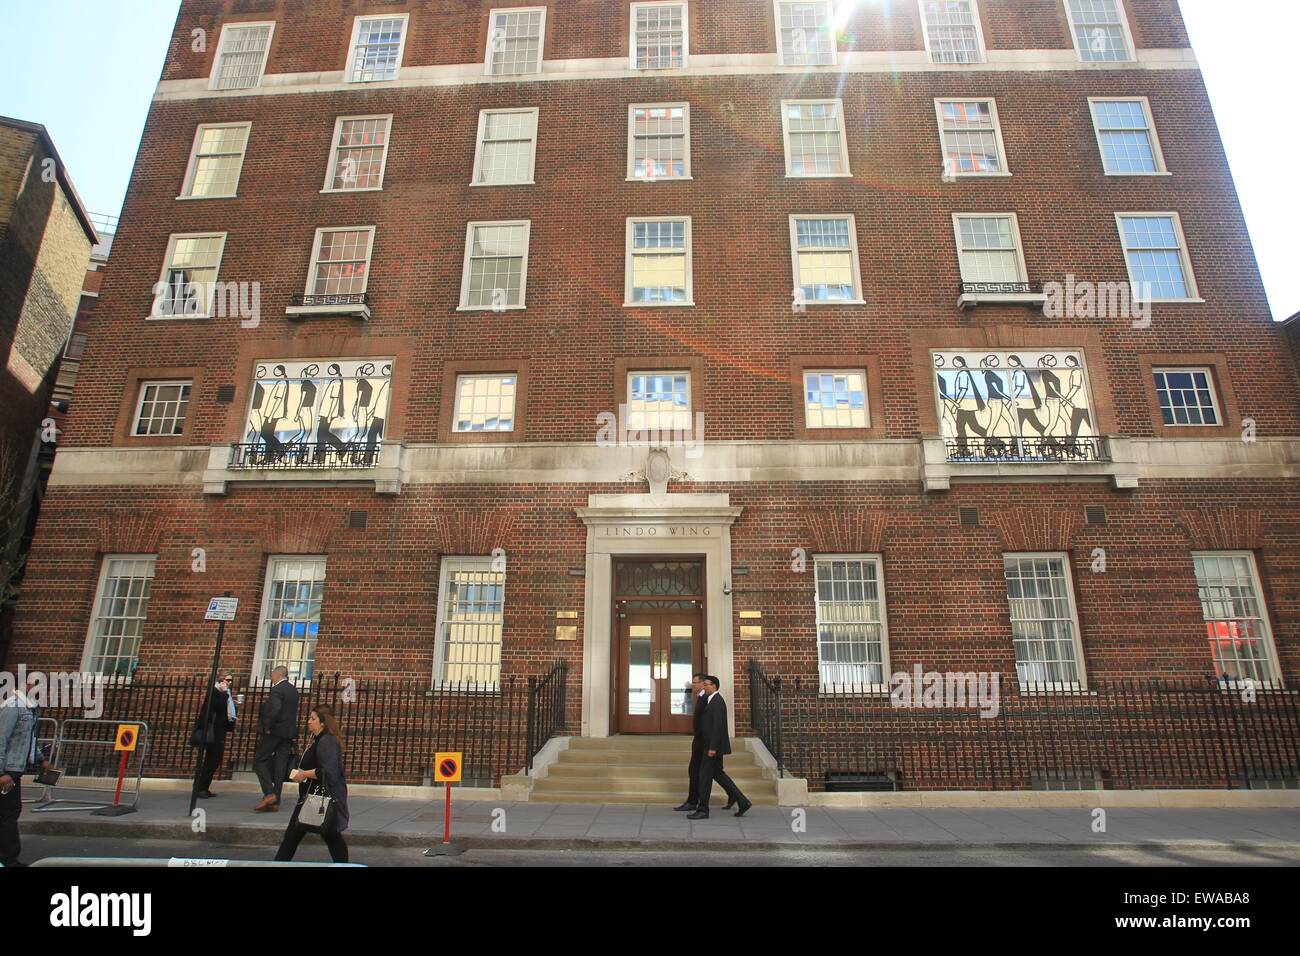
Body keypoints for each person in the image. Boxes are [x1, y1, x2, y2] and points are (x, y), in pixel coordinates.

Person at [274, 705, 350, 864]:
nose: (308, 721)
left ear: (323, 722)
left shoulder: (326, 741)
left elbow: (329, 773)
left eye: (312, 718)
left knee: (327, 836)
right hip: (310, 796)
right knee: (298, 836)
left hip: (319, 798)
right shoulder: (317, 740)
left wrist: (304, 774)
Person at [0, 672, 50, 867]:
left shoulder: (28, 708)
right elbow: (1, 738)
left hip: (14, 768)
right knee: (8, 813)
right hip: (8, 769)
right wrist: (2, 773)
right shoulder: (13, 707)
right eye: (36, 684)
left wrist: (41, 759)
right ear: (24, 685)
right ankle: (8, 859)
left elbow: (28, 739)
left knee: (9, 811)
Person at [687, 676, 751, 820]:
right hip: (708, 744)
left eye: (706, 684)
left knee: (705, 777)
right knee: (717, 774)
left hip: (711, 746)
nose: (704, 686)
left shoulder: (717, 701)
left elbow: (717, 726)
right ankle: (742, 801)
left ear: (714, 686)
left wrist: (713, 747)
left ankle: (703, 809)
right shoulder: (710, 700)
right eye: (703, 684)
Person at [253, 666, 299, 812]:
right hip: (288, 733)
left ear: (277, 674)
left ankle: (269, 794)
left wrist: (267, 726)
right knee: (280, 766)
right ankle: (275, 801)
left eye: (272, 675)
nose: (271, 678)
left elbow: (275, 709)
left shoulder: (277, 689)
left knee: (259, 760)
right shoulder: (293, 690)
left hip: (275, 731)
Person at [192, 672, 237, 799]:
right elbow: (218, 705)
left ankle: (204, 787)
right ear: (221, 681)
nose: (229, 683)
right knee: (212, 759)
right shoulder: (215, 692)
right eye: (227, 680)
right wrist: (225, 693)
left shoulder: (223, 693)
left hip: (219, 730)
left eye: (230, 681)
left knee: (213, 760)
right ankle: (200, 787)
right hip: (213, 731)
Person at [674, 673, 708, 812]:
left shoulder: (706, 698)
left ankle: (693, 801)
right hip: (700, 739)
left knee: (694, 770)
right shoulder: (701, 697)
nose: (692, 685)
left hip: (703, 741)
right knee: (716, 772)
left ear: (702, 684)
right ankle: (735, 796)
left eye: (695, 682)